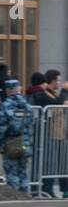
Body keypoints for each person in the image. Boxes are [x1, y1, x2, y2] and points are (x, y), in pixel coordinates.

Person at [0, 78, 32, 193]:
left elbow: (1, 127)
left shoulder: (5, 106)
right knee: (23, 171)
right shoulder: (27, 106)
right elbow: (31, 124)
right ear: (19, 89)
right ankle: (25, 197)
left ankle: (14, 196)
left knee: (11, 173)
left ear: (8, 90)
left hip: (11, 143)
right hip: (25, 142)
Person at [32, 69, 67, 197]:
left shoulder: (54, 93)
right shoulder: (44, 94)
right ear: (52, 80)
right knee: (49, 164)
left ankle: (61, 189)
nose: (59, 82)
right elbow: (54, 105)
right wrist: (64, 91)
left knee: (62, 163)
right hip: (50, 133)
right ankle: (48, 190)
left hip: (60, 133)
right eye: (58, 80)